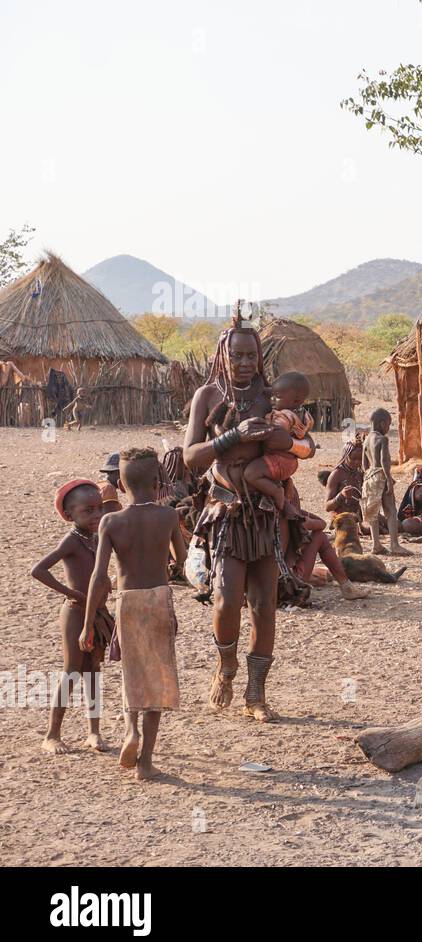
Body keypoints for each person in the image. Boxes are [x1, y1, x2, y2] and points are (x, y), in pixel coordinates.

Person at [185, 313, 309, 722]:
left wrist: (281, 440)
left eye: (250, 355)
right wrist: (233, 436)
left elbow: (304, 446)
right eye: (236, 355)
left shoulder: (271, 397)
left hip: (263, 513)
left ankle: (256, 691)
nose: (243, 363)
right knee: (225, 597)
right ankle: (226, 669)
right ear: (223, 354)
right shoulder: (206, 396)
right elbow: (190, 457)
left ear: (259, 356)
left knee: (264, 604)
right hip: (225, 511)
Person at [81, 448, 188, 780]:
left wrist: (87, 624)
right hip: (158, 598)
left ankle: (131, 731)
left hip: (127, 601)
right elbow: (181, 562)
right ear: (157, 481)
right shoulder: (169, 517)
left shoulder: (111, 521)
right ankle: (145, 764)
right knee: (156, 680)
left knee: (132, 672)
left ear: (122, 486)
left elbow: (99, 577)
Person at [31, 479, 113, 754]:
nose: (96, 515)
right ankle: (52, 734)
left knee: (93, 673)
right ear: (69, 515)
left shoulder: (97, 536)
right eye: (88, 511)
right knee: (71, 672)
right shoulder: (71, 540)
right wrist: (72, 593)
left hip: (97, 613)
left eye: (99, 508)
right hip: (75, 613)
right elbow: (39, 570)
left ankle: (93, 732)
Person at [240, 371, 315, 514]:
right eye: (272, 395)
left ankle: (276, 491)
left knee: (251, 473)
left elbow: (274, 435)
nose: (272, 399)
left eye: (277, 397)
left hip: (278, 460)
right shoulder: (301, 415)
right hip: (289, 461)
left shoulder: (283, 416)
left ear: (295, 401)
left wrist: (251, 430)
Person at [361, 408, 412, 557]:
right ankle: (394, 545)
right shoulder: (382, 439)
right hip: (381, 475)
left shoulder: (366, 440)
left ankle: (376, 544)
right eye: (389, 425)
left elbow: (364, 465)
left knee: (373, 512)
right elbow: (384, 461)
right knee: (390, 510)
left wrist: (368, 476)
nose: (388, 429)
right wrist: (389, 480)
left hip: (369, 476)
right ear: (382, 423)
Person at [323, 437, 365, 522]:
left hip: (358, 517)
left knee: (389, 524)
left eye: (360, 459)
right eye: (353, 459)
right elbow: (327, 507)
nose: (357, 462)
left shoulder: (360, 474)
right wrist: (341, 496)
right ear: (346, 456)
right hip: (341, 519)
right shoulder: (337, 474)